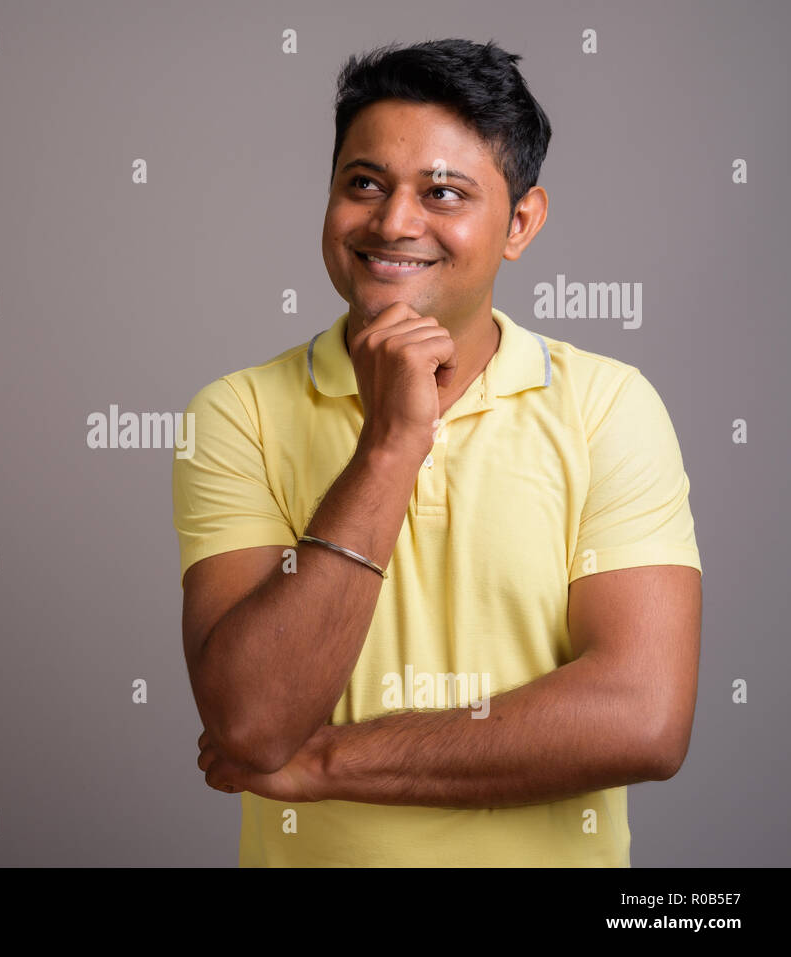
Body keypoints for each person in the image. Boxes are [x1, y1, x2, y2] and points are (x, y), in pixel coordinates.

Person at [172, 38, 702, 867]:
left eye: (443, 192)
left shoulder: (608, 406)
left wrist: (328, 761)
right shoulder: (238, 413)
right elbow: (252, 719)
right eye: (364, 184)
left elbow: (641, 717)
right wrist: (391, 443)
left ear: (520, 222)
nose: (392, 222)